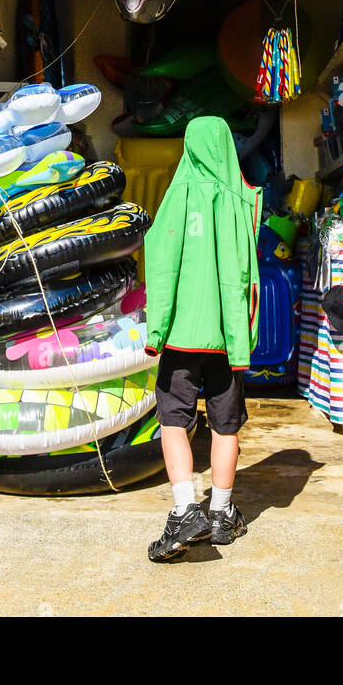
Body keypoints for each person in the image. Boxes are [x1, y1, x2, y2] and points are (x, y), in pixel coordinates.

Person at [143, 115, 261, 563]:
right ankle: (221, 513)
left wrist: (158, 328)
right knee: (226, 422)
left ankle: (184, 509)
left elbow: (162, 261)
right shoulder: (241, 199)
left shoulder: (179, 194)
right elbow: (246, 278)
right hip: (226, 341)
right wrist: (242, 338)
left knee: (174, 420)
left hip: (181, 337)